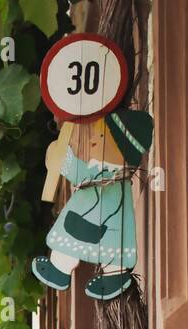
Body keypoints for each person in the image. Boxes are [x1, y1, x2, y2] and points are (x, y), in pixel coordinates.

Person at [32, 108, 154, 301]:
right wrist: (59, 156)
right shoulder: (96, 169)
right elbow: (77, 171)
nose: (92, 140)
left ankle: (115, 277)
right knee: (68, 243)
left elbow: (83, 178)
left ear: (122, 147)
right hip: (87, 222)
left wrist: (63, 161)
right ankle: (59, 269)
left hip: (104, 227)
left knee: (113, 252)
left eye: (102, 135)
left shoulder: (115, 179)